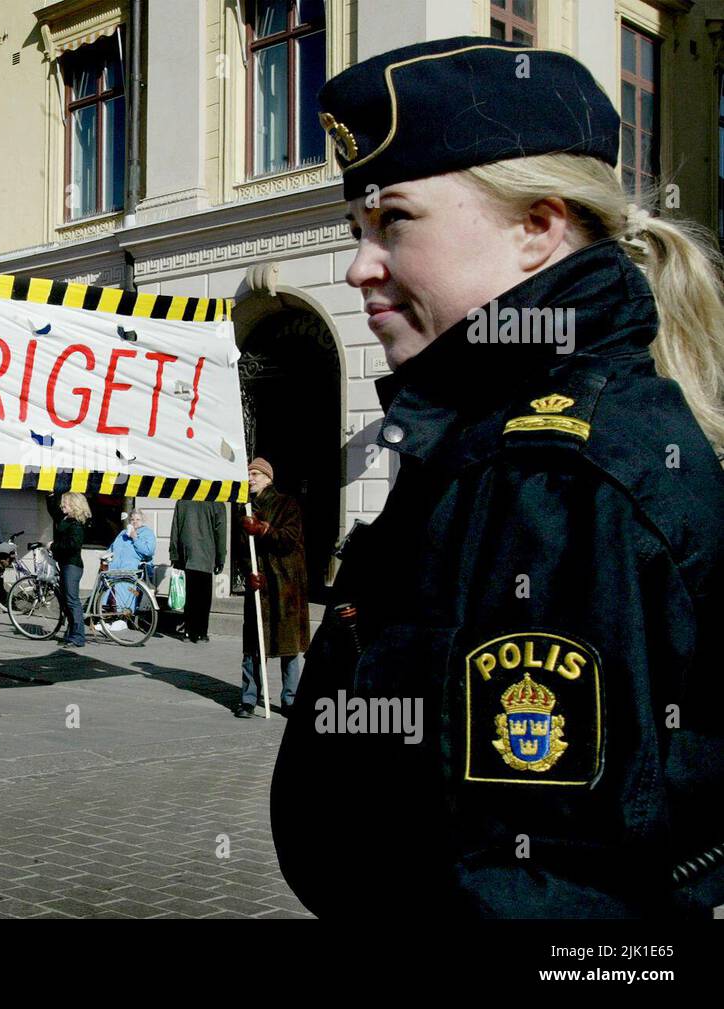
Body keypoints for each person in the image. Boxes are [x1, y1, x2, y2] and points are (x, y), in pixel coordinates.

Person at [271, 37, 724, 919]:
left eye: (394, 220)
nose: (363, 264)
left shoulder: (555, 480)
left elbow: (545, 894)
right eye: (356, 231)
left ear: (538, 227)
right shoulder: (488, 432)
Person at [234, 458, 308, 718]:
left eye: (255, 474)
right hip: (259, 586)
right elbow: (241, 551)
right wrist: (248, 573)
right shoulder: (244, 508)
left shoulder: (287, 504)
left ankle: (290, 698)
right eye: (249, 474)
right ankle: (249, 697)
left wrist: (264, 529)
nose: (251, 478)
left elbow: (290, 539)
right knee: (253, 646)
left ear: (268, 478)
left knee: (288, 647)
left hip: (284, 585)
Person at [168, 498, 227, 642]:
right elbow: (221, 532)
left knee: (190, 594)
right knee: (204, 596)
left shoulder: (183, 501)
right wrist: (220, 558)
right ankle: (201, 633)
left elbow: (175, 528)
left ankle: (189, 631)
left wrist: (174, 555)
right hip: (206, 554)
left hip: (187, 554)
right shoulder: (217, 502)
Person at [47, 492, 90, 648]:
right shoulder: (65, 519)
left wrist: (53, 546)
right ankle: (71, 632)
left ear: (73, 505)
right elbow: (54, 510)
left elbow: (73, 546)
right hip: (65, 564)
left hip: (72, 566)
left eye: (64, 502)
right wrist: (51, 495)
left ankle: (78, 637)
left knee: (72, 601)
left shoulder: (76, 524)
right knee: (67, 601)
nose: (61, 504)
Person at [105, 509, 156, 614]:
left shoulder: (147, 533)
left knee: (126, 594)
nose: (135, 522)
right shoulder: (123, 533)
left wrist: (135, 538)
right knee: (109, 594)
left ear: (143, 521)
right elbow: (112, 548)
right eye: (132, 519)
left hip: (131, 571)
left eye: (138, 519)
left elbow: (148, 551)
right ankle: (107, 618)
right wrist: (106, 555)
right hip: (114, 570)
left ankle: (123, 617)